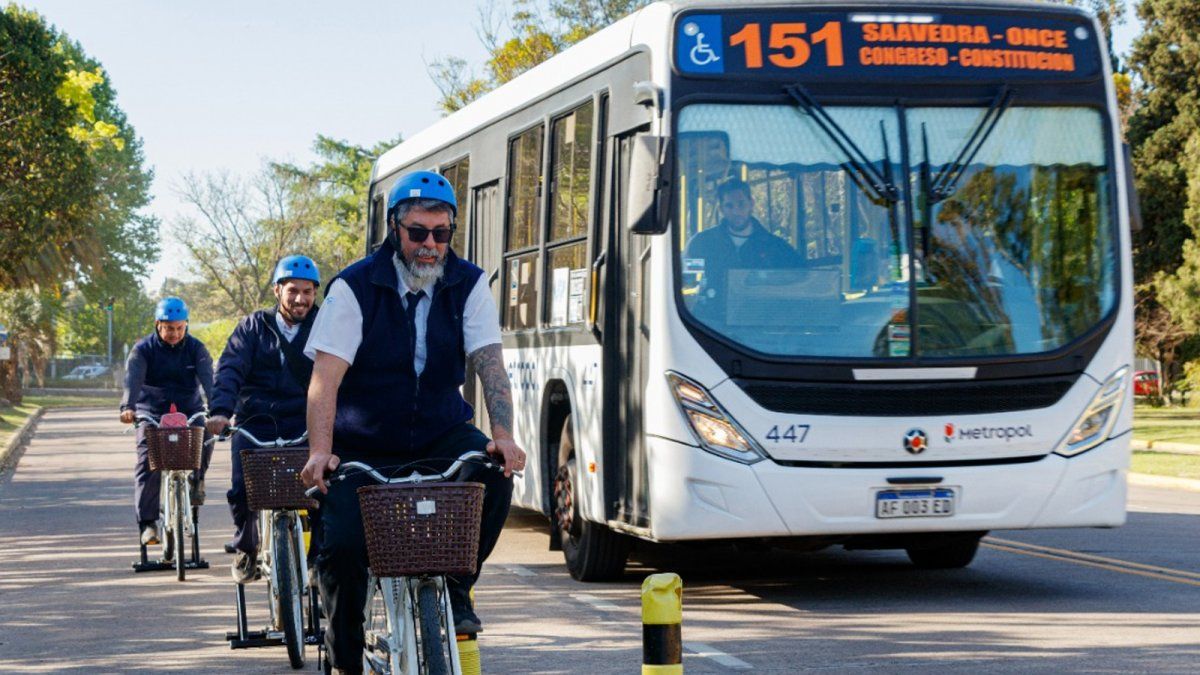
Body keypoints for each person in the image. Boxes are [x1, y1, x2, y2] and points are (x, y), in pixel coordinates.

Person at [300, 170, 526, 674]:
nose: (430, 245)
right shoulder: (353, 288)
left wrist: (504, 438)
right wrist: (320, 450)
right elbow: (325, 380)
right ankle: (346, 661)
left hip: (440, 431)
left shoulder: (468, 283)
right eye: (418, 233)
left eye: (441, 234)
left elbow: (491, 365)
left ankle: (457, 587)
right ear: (394, 229)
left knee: (492, 473)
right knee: (341, 547)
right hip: (363, 440)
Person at [206, 255, 322, 583]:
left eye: (307, 291)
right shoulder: (253, 327)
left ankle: (318, 559)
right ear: (277, 291)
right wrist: (221, 411)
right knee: (243, 489)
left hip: (306, 421)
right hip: (255, 422)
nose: (300, 298)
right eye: (292, 291)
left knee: (326, 488)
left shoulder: (325, 325)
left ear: (315, 293)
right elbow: (230, 368)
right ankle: (247, 549)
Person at [120, 296, 214, 547]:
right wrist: (128, 407)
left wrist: (217, 407)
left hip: (189, 408)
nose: (174, 333)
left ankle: (197, 480)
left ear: (186, 325)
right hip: (151, 410)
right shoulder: (142, 349)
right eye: (169, 328)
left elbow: (208, 380)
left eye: (179, 327)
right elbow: (133, 379)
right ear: (158, 325)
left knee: (207, 433)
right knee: (147, 460)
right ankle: (149, 524)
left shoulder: (197, 349)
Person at [682, 178, 802, 322]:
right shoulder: (701, 244)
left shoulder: (776, 248)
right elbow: (683, 283)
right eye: (729, 206)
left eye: (741, 204)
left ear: (751, 204)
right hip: (709, 328)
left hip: (760, 329)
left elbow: (801, 280)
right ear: (721, 209)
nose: (736, 211)